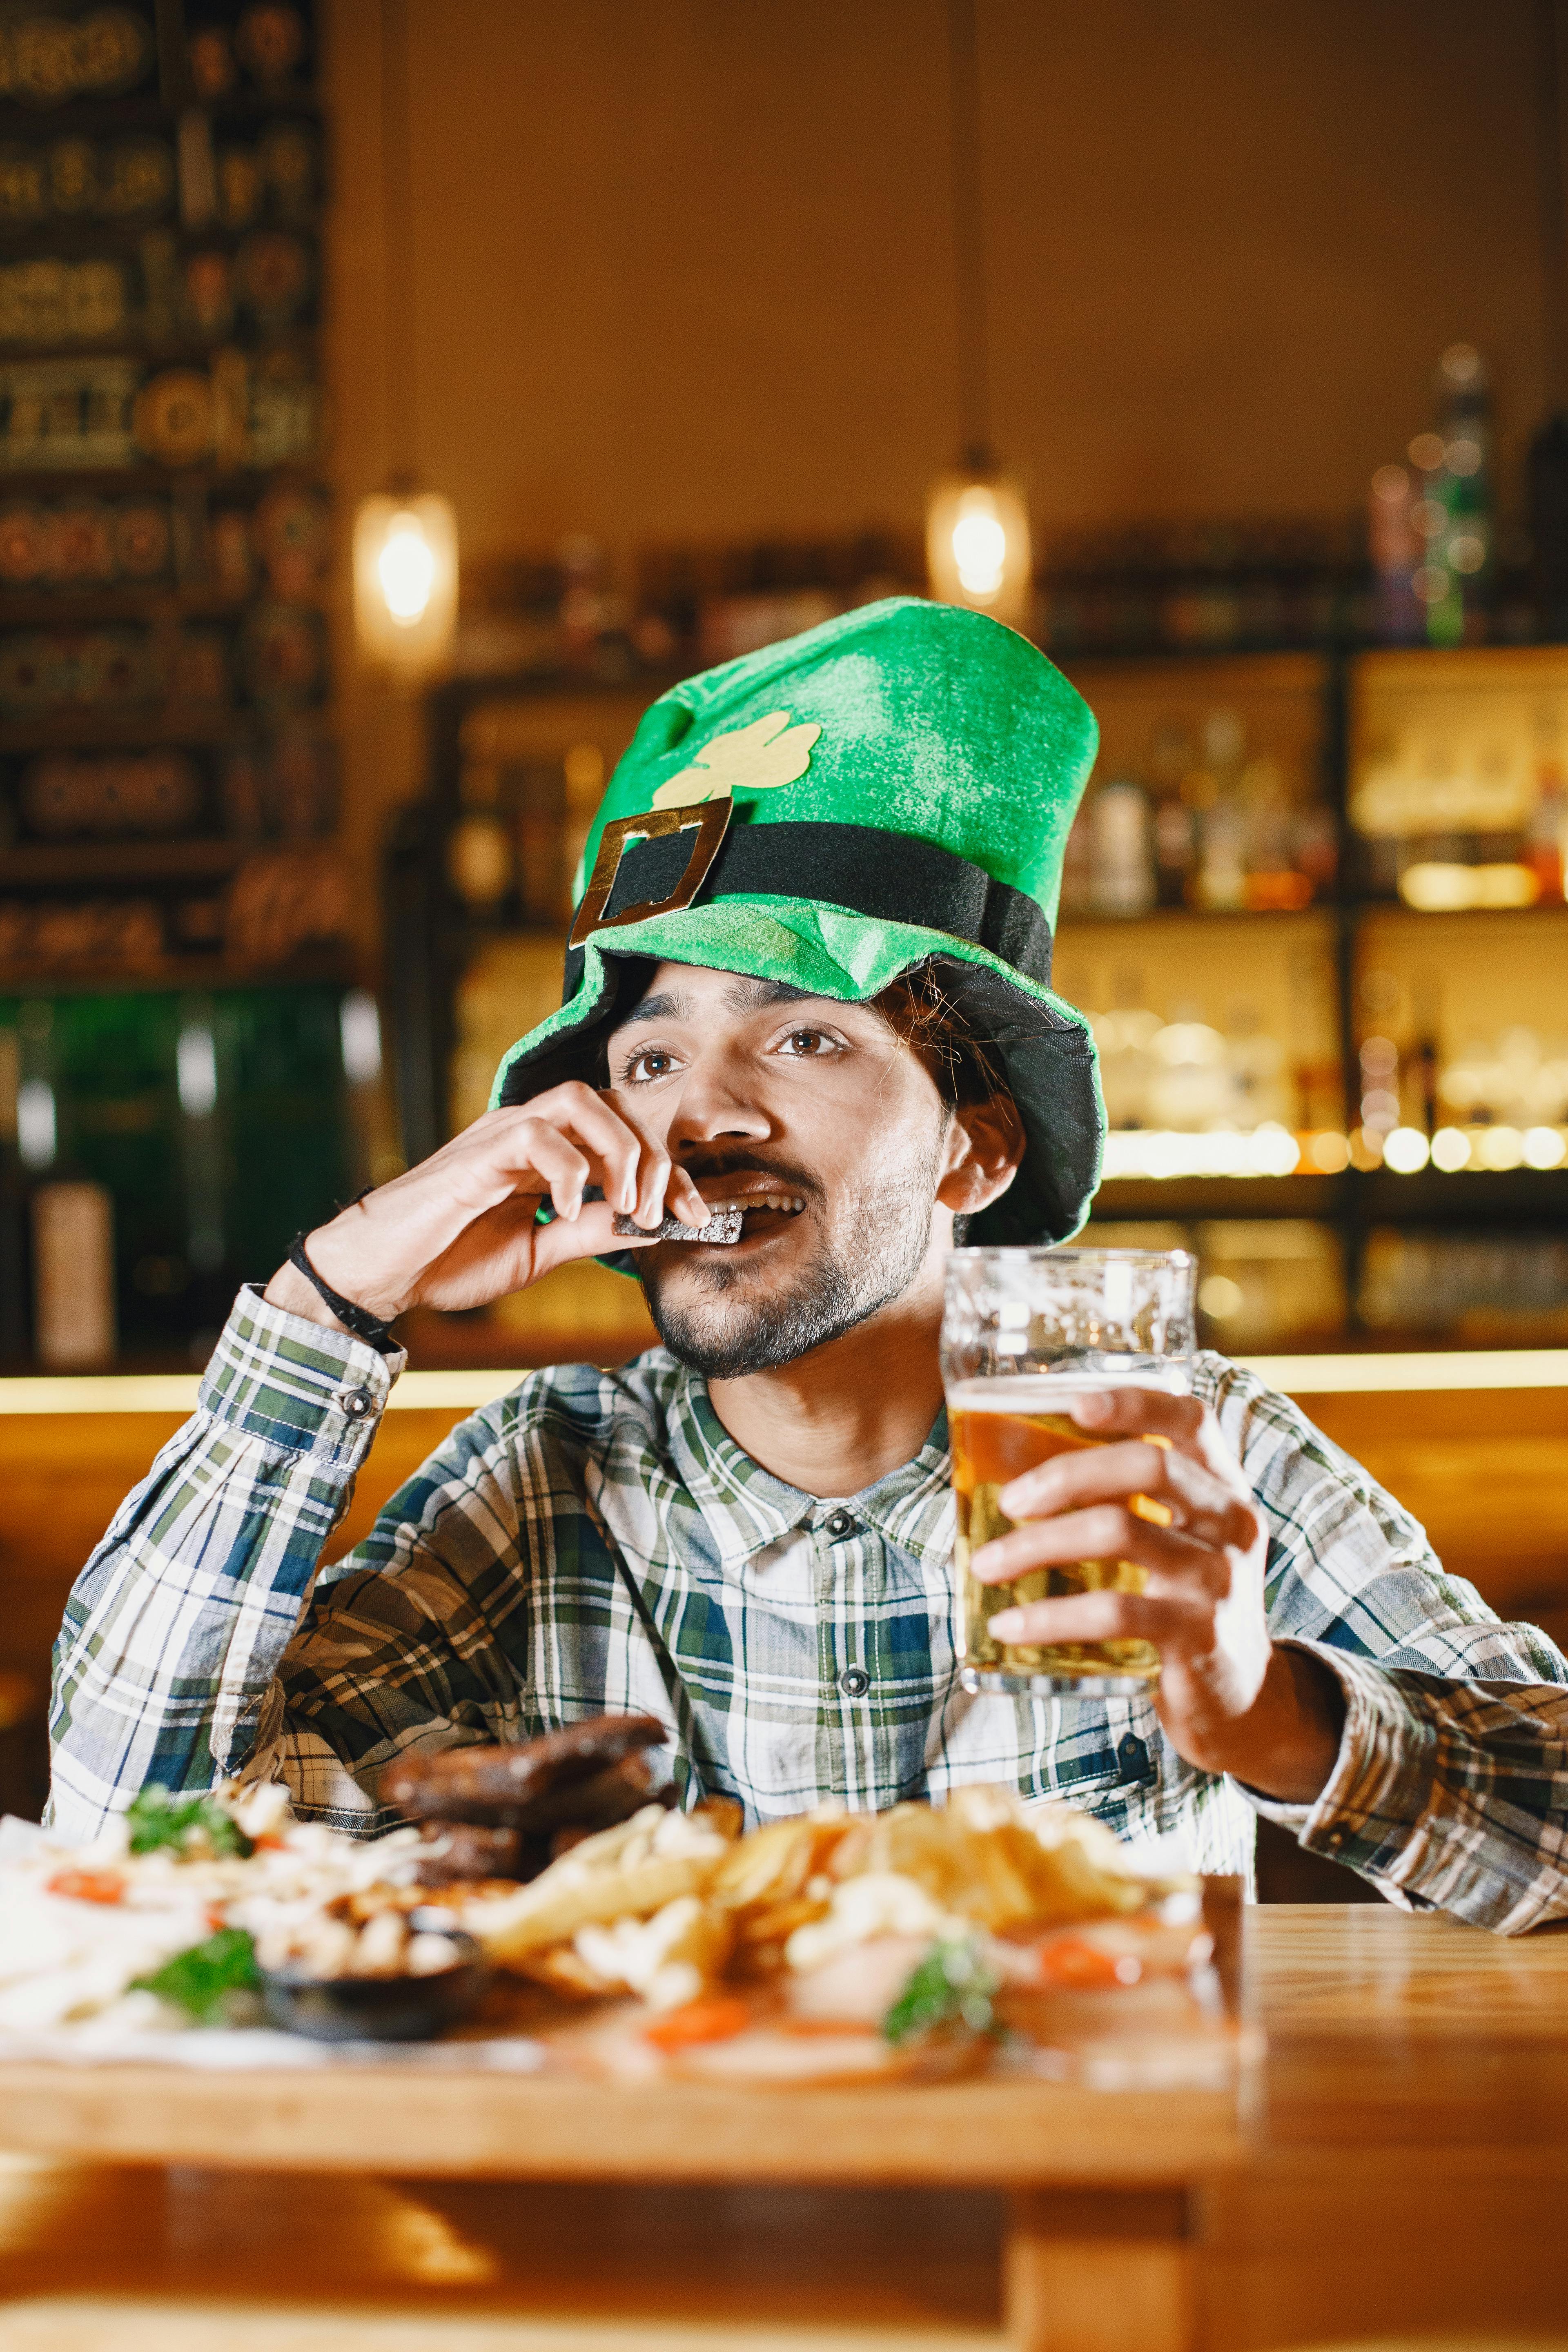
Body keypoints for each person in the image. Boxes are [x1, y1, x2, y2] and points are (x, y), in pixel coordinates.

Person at [49, 599, 1568, 1929]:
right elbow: (126, 1842)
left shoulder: (1157, 1456)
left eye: (806, 1036)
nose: (700, 1112)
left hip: (1077, 2246)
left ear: (975, 1150)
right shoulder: (539, 1482)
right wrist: (334, 1299)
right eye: (649, 1055)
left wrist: (1273, 1715)